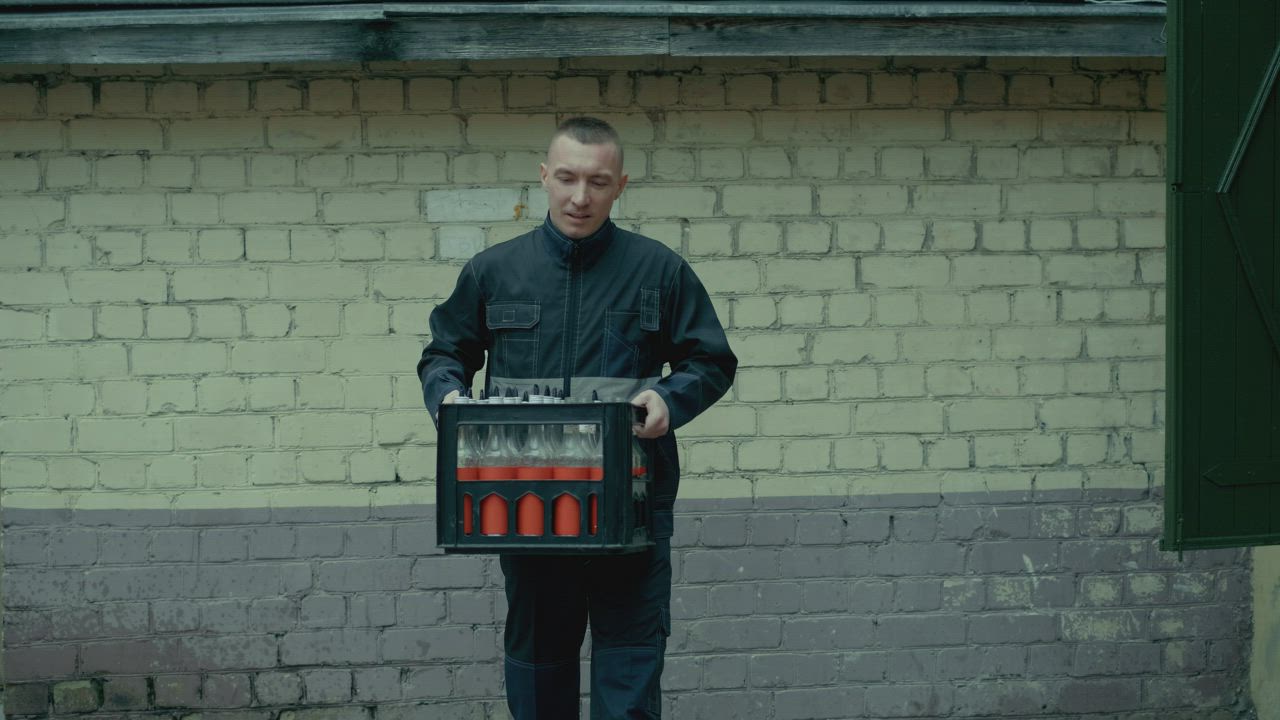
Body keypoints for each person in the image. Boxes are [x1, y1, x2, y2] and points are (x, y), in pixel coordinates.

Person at [417, 116, 737, 719]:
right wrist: (449, 400)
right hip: (529, 504)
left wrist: (672, 399)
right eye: (566, 178)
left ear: (621, 185)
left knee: (630, 666)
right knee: (539, 670)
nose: (579, 197)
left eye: (597, 181)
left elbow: (710, 360)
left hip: (630, 507)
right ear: (544, 177)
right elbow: (445, 353)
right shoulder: (495, 271)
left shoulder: (658, 271)